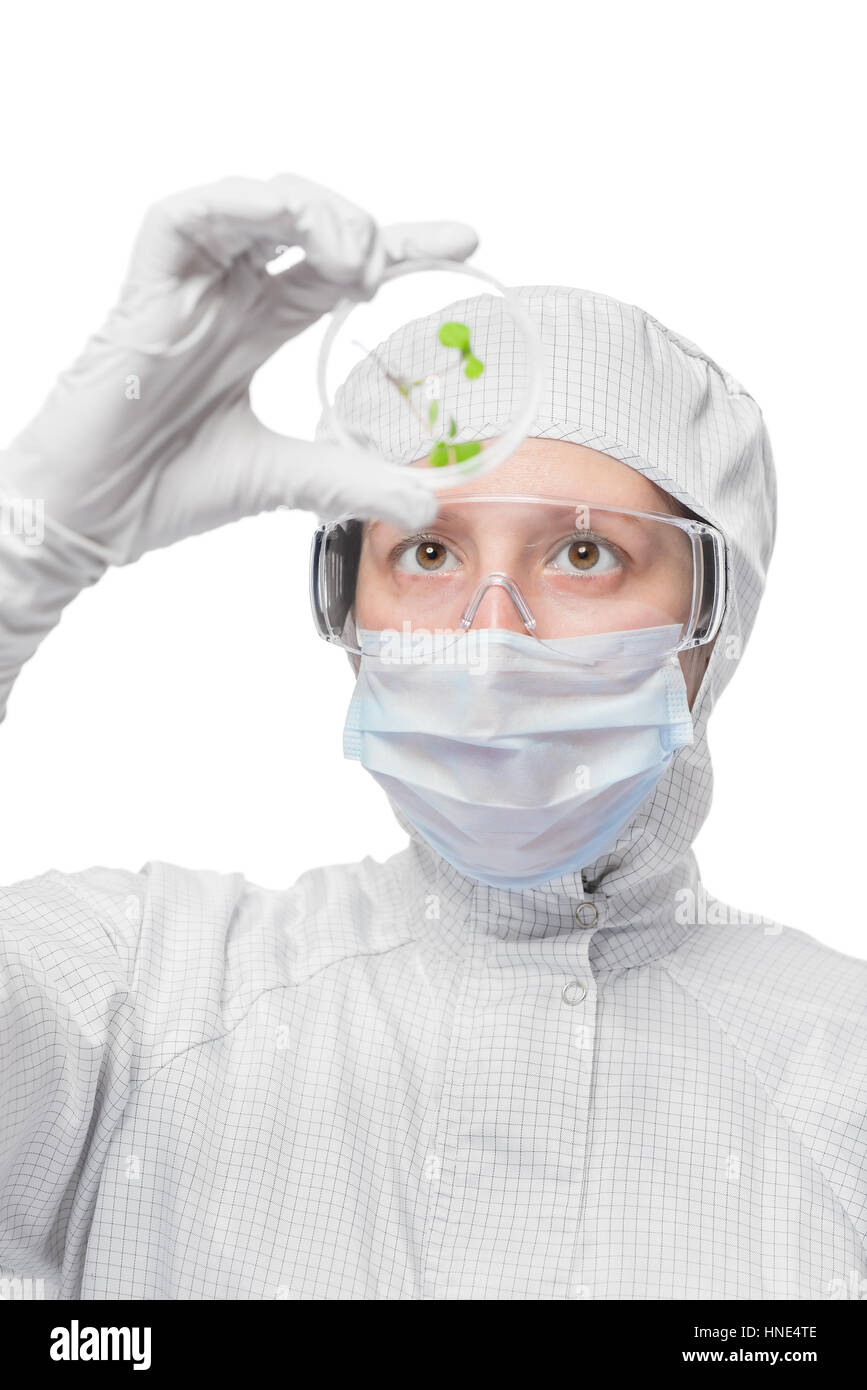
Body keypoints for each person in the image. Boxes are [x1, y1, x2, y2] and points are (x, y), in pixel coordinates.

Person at [0, 173, 864, 1302]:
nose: (490, 639)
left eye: (586, 553)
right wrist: (28, 545)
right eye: (427, 552)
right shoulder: (131, 1003)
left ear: (718, 617)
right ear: (347, 610)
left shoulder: (841, 1068)